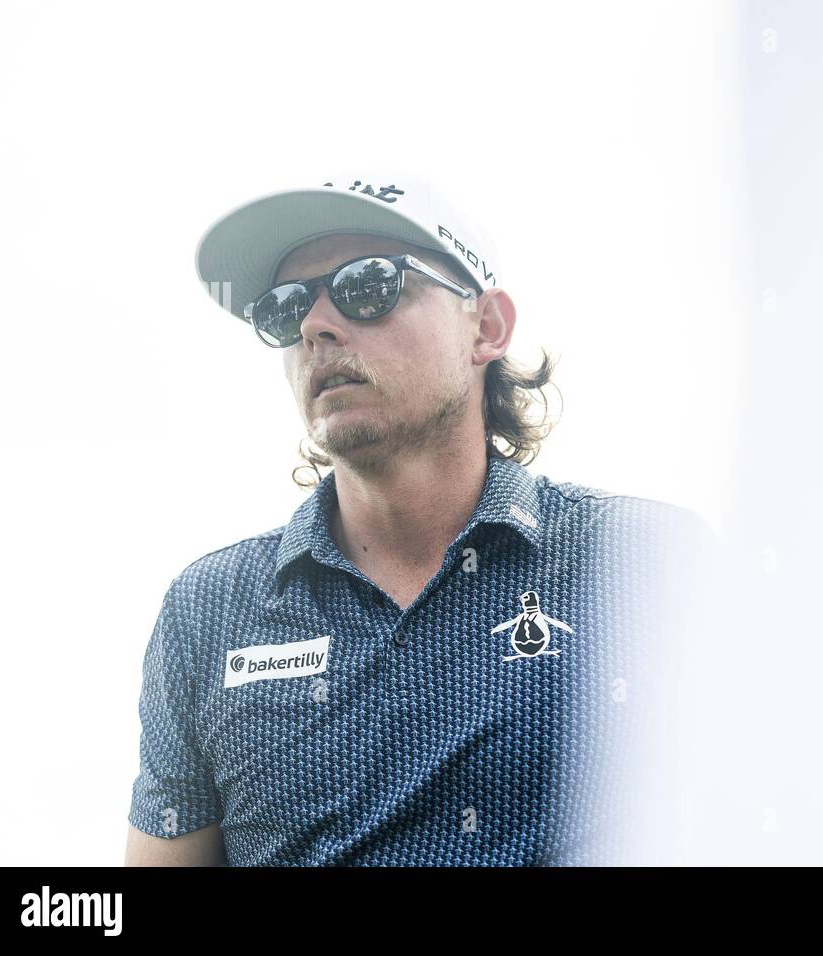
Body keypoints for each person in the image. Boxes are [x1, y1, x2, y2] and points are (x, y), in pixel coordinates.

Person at [123, 174, 716, 866]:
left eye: (367, 286)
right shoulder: (209, 611)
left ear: (486, 327)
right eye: (285, 309)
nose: (315, 325)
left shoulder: (646, 560)